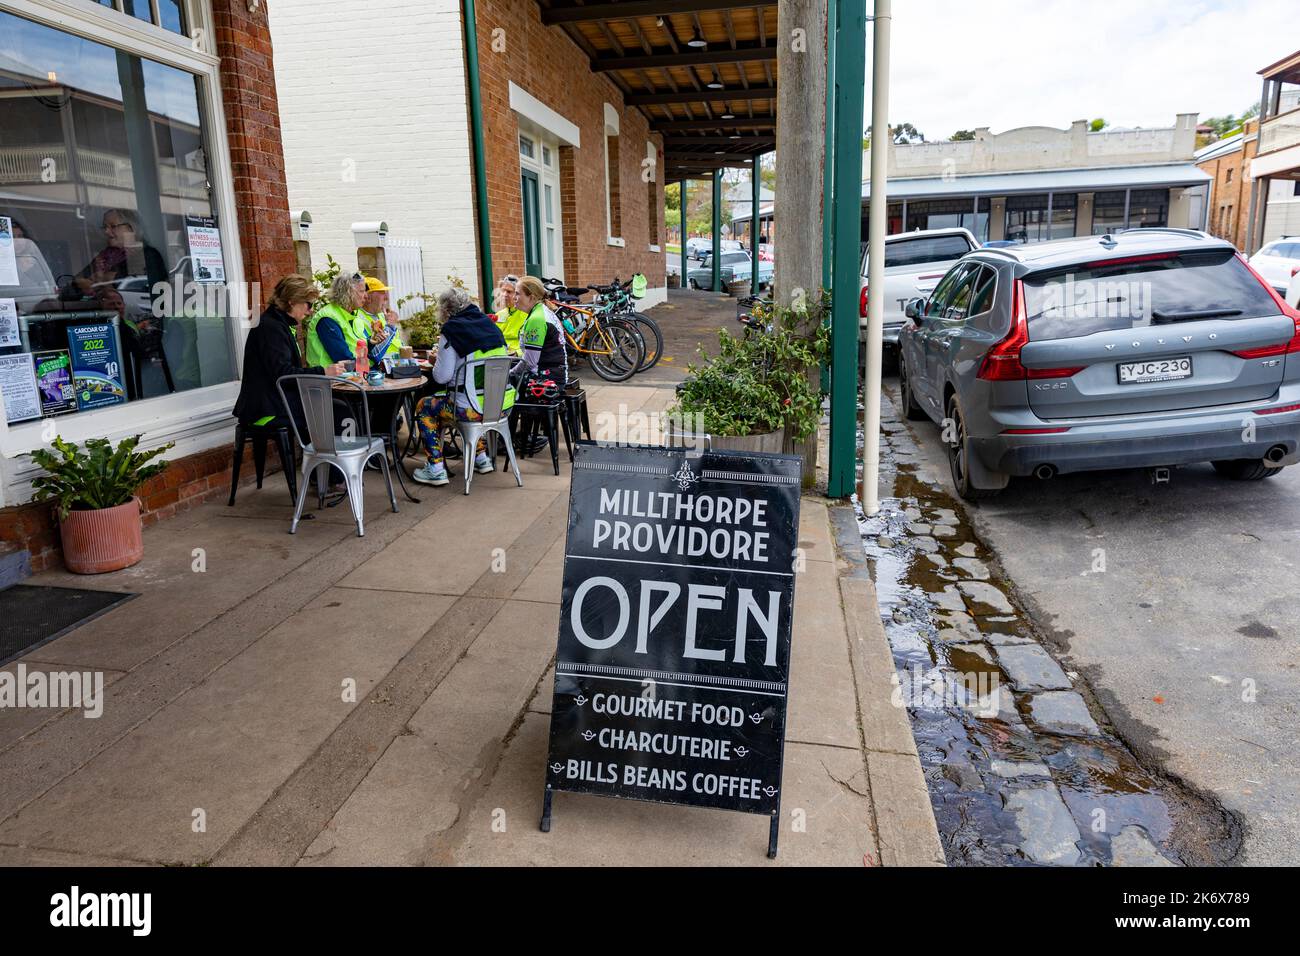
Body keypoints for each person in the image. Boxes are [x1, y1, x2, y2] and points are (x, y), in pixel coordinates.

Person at [410, 287, 514, 487]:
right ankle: (481, 458)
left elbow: (442, 377)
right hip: (499, 407)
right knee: (462, 399)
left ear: (446, 310)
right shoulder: (490, 326)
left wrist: (436, 360)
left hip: (469, 410)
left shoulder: (452, 330)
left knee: (425, 406)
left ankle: (436, 468)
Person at [233, 275, 347, 435]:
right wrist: (323, 372)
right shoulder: (271, 328)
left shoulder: (276, 322)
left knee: (335, 406)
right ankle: (328, 458)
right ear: (292, 301)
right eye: (308, 304)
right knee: (339, 410)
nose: (311, 310)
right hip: (265, 408)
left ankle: (321, 457)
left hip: (273, 401)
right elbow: (283, 374)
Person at [306, 272, 373, 367]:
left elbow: (361, 350)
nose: (366, 296)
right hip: (330, 379)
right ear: (348, 293)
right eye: (362, 291)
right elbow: (344, 358)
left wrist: (371, 343)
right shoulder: (328, 318)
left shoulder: (354, 316)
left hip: (354, 375)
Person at [513, 275, 568, 390]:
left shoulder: (536, 319)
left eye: (518, 293)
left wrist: (510, 373)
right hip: (555, 373)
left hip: (546, 379)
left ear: (531, 297)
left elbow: (529, 363)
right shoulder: (541, 310)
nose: (514, 297)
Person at [356, 276, 402, 362]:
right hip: (381, 368)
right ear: (368, 298)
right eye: (382, 293)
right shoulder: (358, 318)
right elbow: (373, 353)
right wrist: (390, 326)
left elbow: (396, 341)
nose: (386, 298)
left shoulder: (381, 315)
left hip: (398, 362)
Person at [492, 274, 528, 356]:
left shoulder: (526, 313)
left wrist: (517, 353)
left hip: (518, 358)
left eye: (509, 292)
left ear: (518, 294)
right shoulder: (499, 314)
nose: (504, 294)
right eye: (503, 291)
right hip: (500, 354)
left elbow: (532, 345)